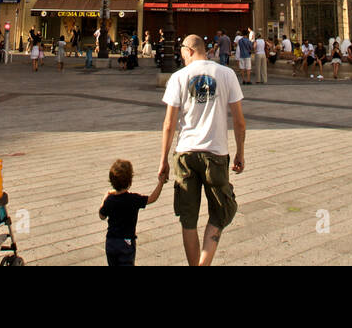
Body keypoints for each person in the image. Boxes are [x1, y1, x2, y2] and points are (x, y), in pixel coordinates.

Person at [159, 34, 246, 267]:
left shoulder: (178, 77)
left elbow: (168, 124)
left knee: (188, 219)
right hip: (216, 154)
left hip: (185, 154)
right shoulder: (227, 74)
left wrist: (164, 161)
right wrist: (240, 152)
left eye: (181, 53)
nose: (181, 57)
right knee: (221, 212)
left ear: (188, 50)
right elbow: (239, 121)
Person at [99, 158, 165, 266]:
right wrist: (161, 183)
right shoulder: (133, 199)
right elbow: (152, 198)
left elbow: (102, 216)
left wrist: (105, 198)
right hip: (126, 242)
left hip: (111, 242)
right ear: (130, 182)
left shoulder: (110, 200)